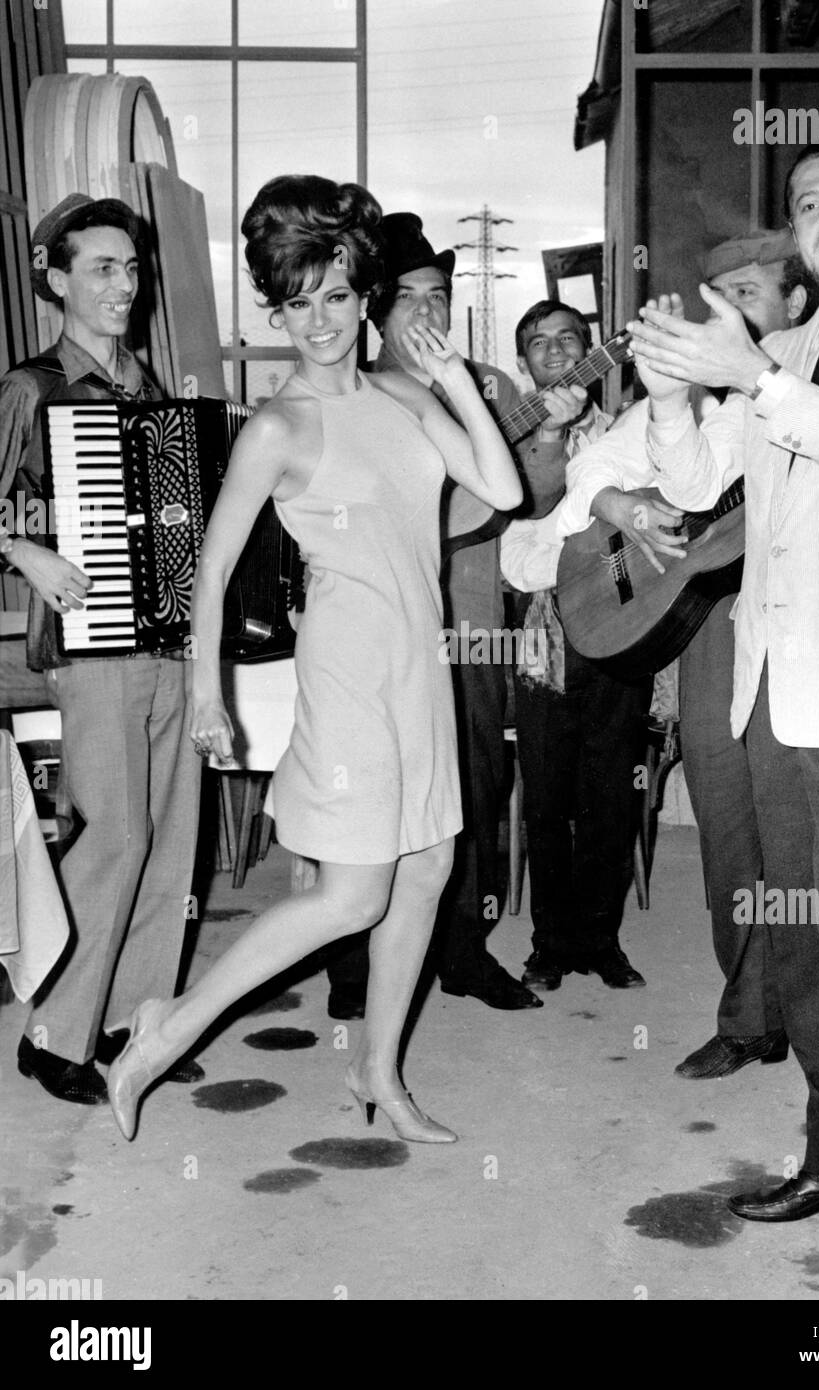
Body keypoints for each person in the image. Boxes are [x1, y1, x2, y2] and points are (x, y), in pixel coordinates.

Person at [560, 146, 819, 1282]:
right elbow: (697, 488)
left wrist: (751, 380)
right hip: (769, 693)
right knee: (797, 952)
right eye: (808, 204)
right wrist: (668, 396)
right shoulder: (783, 352)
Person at [106, 175, 522, 1144]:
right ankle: (170, 1021)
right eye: (298, 304)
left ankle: (378, 1075)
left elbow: (499, 487)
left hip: (419, 663)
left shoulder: (405, 396)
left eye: (336, 296)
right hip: (345, 670)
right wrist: (207, 695)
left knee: (427, 868)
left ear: (362, 291)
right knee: (353, 891)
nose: (321, 321)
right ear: (277, 308)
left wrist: (454, 375)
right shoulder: (278, 427)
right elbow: (209, 574)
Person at [0, 194, 203, 1106]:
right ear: (55, 278)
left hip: (168, 638)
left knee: (169, 846)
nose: (125, 285)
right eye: (102, 269)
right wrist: (21, 547)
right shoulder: (31, 386)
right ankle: (52, 1034)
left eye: (132, 268)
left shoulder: (149, 385)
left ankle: (133, 1021)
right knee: (116, 836)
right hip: (90, 648)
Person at [322, 212, 545, 1015]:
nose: (427, 312)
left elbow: (531, 498)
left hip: (473, 626)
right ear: (377, 312)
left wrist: (549, 438)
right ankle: (354, 968)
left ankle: (464, 952)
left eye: (440, 295)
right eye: (409, 296)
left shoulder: (493, 389)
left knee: (475, 787)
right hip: (380, 633)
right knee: (371, 796)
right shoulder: (353, 393)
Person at [674, 228, 817, 1079]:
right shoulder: (696, 397)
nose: (725, 314)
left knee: (798, 841)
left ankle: (815, 1021)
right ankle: (750, 1015)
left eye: (748, 295)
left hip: (807, 633)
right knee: (728, 834)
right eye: (715, 298)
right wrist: (617, 498)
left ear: (796, 304)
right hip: (710, 628)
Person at [500, 299, 650, 991]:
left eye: (569, 339)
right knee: (547, 797)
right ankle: (550, 944)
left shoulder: (628, 432)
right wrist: (578, 543)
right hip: (547, 638)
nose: (556, 353)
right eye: (539, 344)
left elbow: (642, 545)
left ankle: (602, 940)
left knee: (610, 794)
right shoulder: (512, 452)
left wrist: (588, 550)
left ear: (595, 352)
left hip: (621, 629)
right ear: (523, 361)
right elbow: (517, 562)